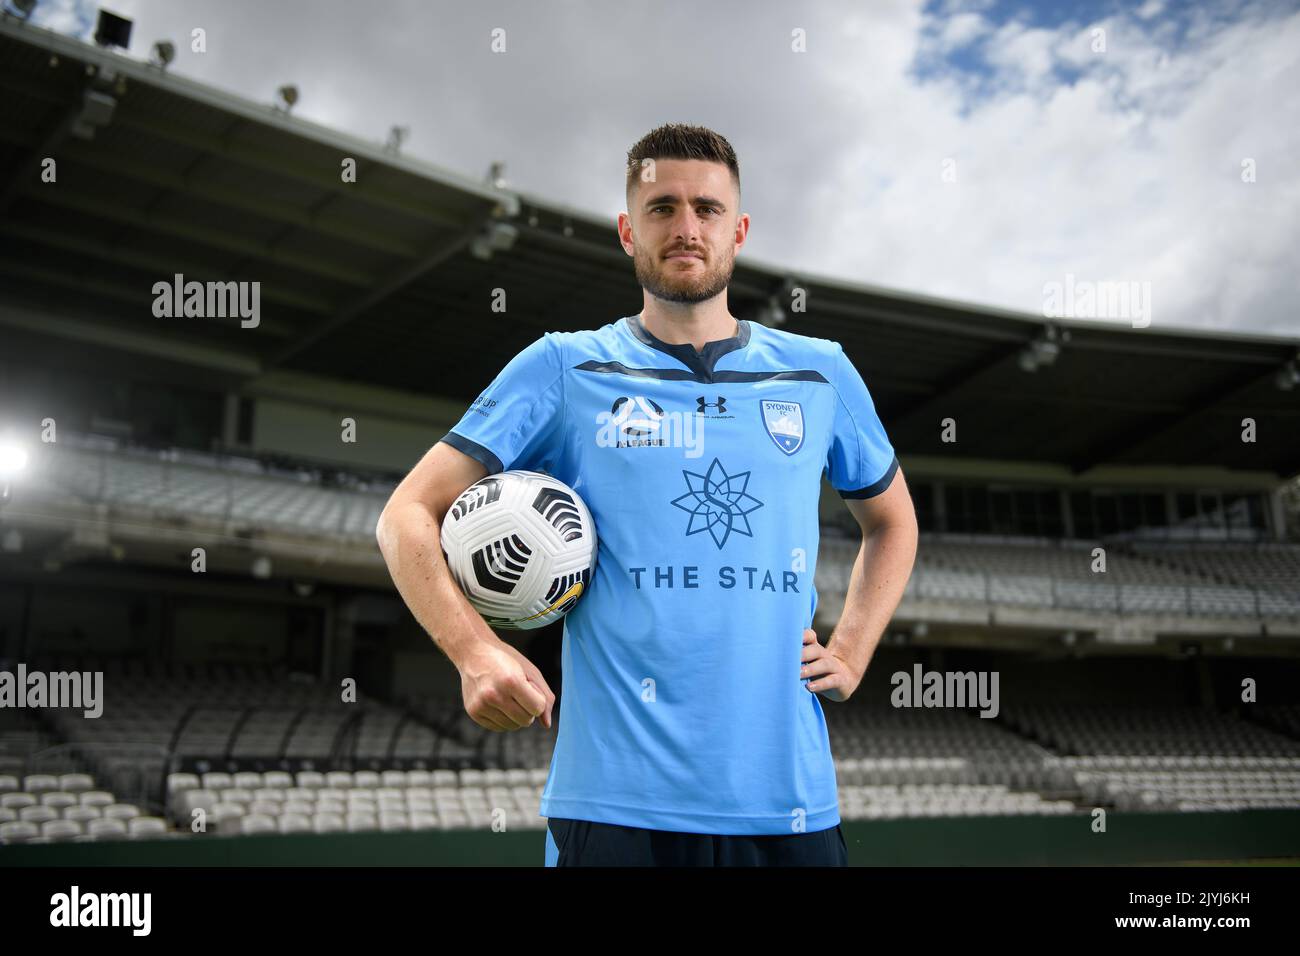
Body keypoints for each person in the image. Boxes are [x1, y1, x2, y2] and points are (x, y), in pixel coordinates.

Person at [376, 123, 918, 866]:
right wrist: (474, 652)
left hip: (789, 807)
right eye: (662, 208)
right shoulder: (565, 367)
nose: (686, 228)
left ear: (740, 230)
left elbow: (893, 522)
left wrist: (853, 648)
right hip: (614, 808)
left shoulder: (819, 373)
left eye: (707, 209)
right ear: (629, 232)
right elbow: (406, 514)